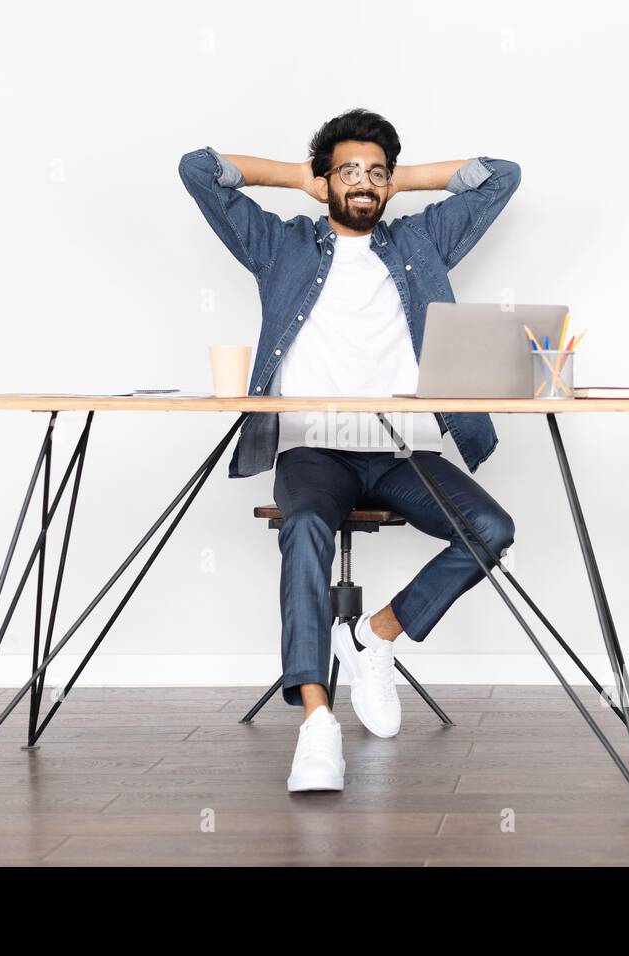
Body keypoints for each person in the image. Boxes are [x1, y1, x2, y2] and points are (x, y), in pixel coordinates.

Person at [179, 108, 521, 792]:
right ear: (325, 179)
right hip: (314, 451)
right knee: (305, 526)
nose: (361, 183)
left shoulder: (423, 241)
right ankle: (316, 724)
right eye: (348, 172)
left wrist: (397, 181)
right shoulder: (281, 248)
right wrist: (299, 180)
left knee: (490, 529)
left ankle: (377, 635)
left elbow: (501, 178)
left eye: (374, 172)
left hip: (402, 453)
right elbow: (198, 169)